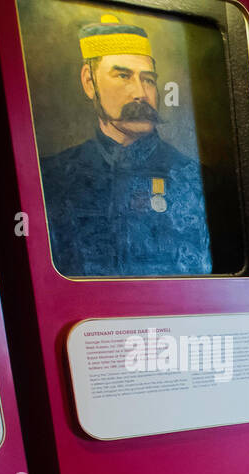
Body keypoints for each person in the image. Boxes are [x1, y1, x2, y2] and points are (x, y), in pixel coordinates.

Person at [40, 13, 212, 277]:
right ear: (89, 82)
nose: (141, 93)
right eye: (123, 76)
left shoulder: (196, 178)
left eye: (148, 80)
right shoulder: (51, 176)